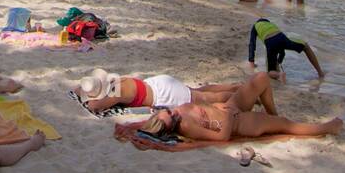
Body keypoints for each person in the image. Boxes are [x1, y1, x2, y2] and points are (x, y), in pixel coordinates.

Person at [136, 74, 342, 144]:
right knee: (288, 125)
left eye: (168, 111)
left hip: (231, 107)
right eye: (170, 115)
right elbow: (222, 136)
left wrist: (219, 106)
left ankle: (273, 117)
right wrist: (226, 116)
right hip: (239, 123)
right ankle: (327, 128)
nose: (173, 111)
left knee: (261, 78)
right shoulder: (187, 127)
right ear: (170, 127)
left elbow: (204, 108)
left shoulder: (179, 113)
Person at [77, 70, 246, 114]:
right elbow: (79, 89)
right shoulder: (116, 80)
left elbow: (95, 107)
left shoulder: (116, 92)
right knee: (196, 91)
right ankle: (235, 86)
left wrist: (90, 98)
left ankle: (243, 95)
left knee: (205, 98)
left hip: (163, 94)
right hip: (157, 83)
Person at [247, 18, 324, 78]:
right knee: (305, 46)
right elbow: (282, 51)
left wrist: (252, 62)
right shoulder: (271, 25)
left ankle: (279, 75)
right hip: (281, 37)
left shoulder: (255, 26)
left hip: (269, 42)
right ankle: (320, 72)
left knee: (270, 72)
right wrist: (279, 61)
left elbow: (252, 44)